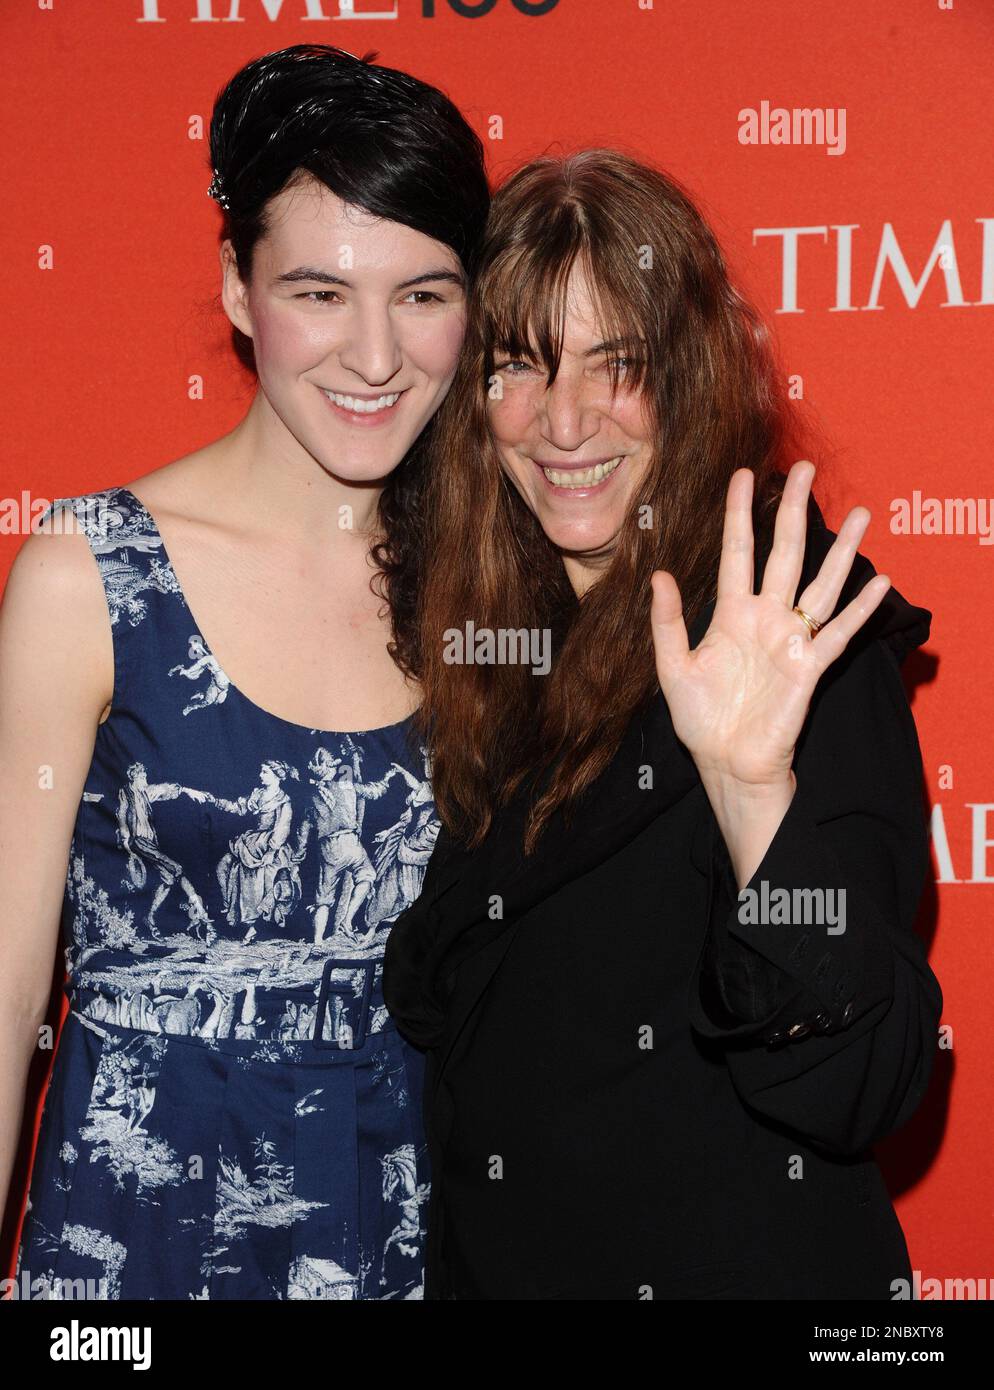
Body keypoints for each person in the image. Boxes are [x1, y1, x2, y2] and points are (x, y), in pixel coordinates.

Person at [382, 149, 943, 1300]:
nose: (564, 421)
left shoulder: (790, 637)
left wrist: (751, 794)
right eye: (519, 367)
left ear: (687, 376)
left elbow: (869, 1077)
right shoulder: (494, 645)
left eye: (615, 365)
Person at [0, 43, 488, 1300]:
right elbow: (6, 1004)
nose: (376, 356)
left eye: (423, 294)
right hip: (141, 1240)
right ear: (235, 287)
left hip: (406, 1228)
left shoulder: (486, 591)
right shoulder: (91, 577)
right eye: (319, 293)